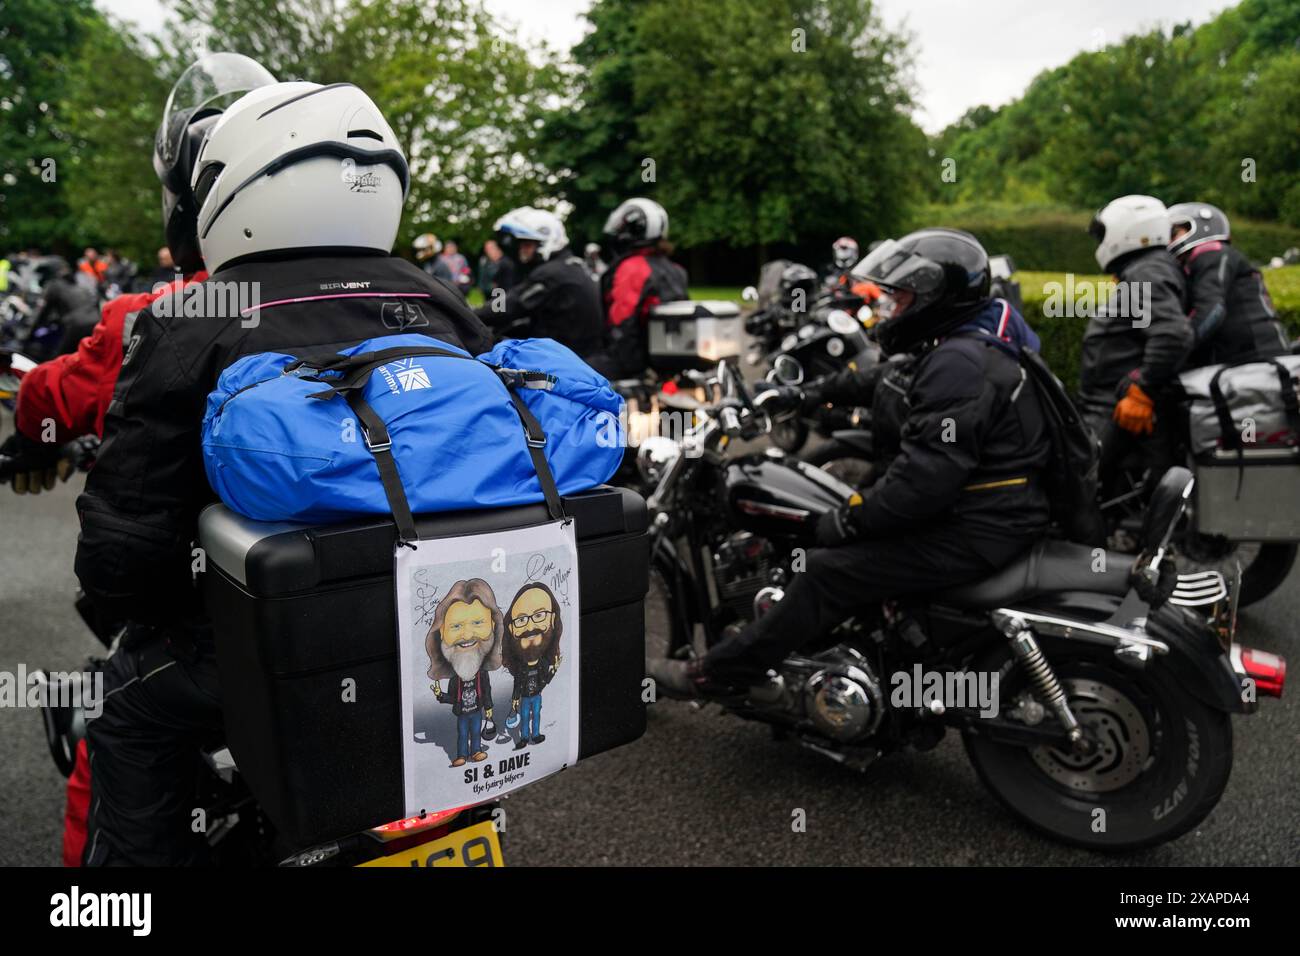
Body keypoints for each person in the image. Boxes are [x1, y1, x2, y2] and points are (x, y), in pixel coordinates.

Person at [74, 74, 492, 866]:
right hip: (446, 632)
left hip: (261, 646)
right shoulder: (437, 301)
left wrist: (118, 598)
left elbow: (125, 541)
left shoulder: (192, 314)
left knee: (123, 712)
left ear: (235, 185)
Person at [649, 228, 1052, 697]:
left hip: (979, 525)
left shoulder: (959, 363)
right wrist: (803, 394)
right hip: (994, 509)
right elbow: (885, 377)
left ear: (934, 297)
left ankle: (717, 676)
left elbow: (922, 484)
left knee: (825, 570)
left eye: (899, 298)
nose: (888, 308)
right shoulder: (965, 340)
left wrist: (847, 522)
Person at [1079, 195, 1193, 490]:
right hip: (1116, 401)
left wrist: (1142, 390)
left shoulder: (1147, 271)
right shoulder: (1147, 268)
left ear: (1126, 231)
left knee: (1076, 481)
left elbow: (1172, 334)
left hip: (1116, 405)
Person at [1167, 202, 1288, 367]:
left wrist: (1173, 352)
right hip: (1246, 359)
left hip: (1259, 359)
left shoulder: (1212, 252)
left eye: (1174, 232)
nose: (1169, 240)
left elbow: (1211, 309)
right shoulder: (1196, 263)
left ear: (1201, 228)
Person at [474, 206, 604, 359]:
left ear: (545, 243)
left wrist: (470, 314)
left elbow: (506, 306)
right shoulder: (571, 264)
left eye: (528, 244)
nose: (522, 250)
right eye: (521, 244)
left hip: (568, 359)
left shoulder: (550, 273)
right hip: (582, 350)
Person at [598, 197, 688, 378]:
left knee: (567, 374)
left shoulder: (632, 268)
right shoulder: (676, 269)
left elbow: (620, 323)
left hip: (635, 365)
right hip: (671, 362)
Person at [27, 258, 100, 356]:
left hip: (76, 325)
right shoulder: (79, 279)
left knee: (60, 360)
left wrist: (27, 335)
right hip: (96, 321)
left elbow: (42, 313)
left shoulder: (54, 285)